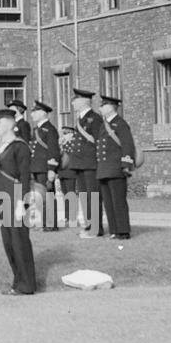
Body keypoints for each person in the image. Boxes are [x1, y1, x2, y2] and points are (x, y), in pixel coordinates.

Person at [0, 108, 36, 296]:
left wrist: (23, 203)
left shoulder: (20, 146)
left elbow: (25, 177)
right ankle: (17, 282)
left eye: (0, 123)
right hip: (4, 199)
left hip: (16, 199)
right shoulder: (2, 146)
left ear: (10, 124)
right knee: (9, 244)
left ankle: (27, 285)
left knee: (20, 243)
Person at [96, 94, 136, 240]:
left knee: (118, 201)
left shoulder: (120, 124)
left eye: (103, 105)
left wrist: (126, 165)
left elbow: (127, 145)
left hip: (116, 168)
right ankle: (114, 229)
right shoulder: (103, 125)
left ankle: (123, 231)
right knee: (108, 202)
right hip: (104, 169)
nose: (100, 108)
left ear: (111, 107)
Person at [70, 88, 104, 238]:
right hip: (80, 163)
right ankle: (89, 225)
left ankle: (96, 228)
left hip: (90, 163)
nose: (72, 103)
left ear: (83, 101)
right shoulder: (80, 119)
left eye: (75, 100)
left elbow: (98, 141)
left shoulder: (95, 118)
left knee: (93, 195)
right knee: (84, 196)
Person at [29, 101, 62, 232]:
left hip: (45, 168)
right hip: (36, 167)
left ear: (42, 113)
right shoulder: (37, 129)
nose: (32, 114)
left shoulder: (50, 129)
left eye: (35, 111)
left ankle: (50, 224)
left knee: (48, 196)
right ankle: (44, 222)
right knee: (39, 197)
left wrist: (52, 169)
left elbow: (54, 150)